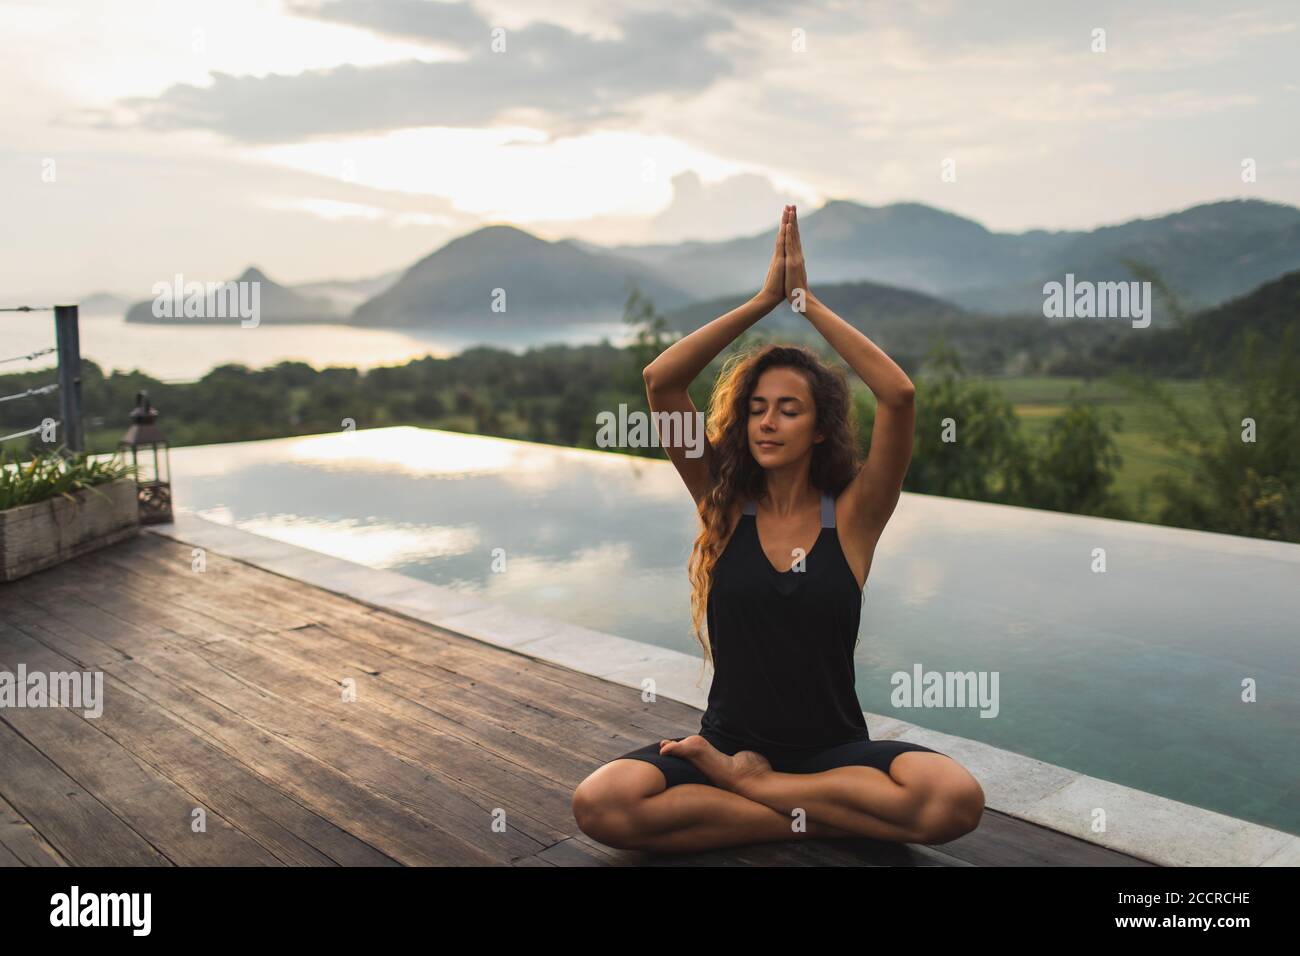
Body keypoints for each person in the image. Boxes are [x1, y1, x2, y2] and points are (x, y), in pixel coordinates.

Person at [571, 205, 985, 854]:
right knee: (602, 804)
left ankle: (760, 796)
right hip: (728, 744)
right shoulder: (722, 502)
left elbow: (899, 395)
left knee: (956, 799)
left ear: (818, 428)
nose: (767, 422)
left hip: (833, 753)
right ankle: (812, 814)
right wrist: (766, 301)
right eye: (757, 408)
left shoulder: (853, 516)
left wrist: (807, 304)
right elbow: (661, 381)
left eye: (788, 410)